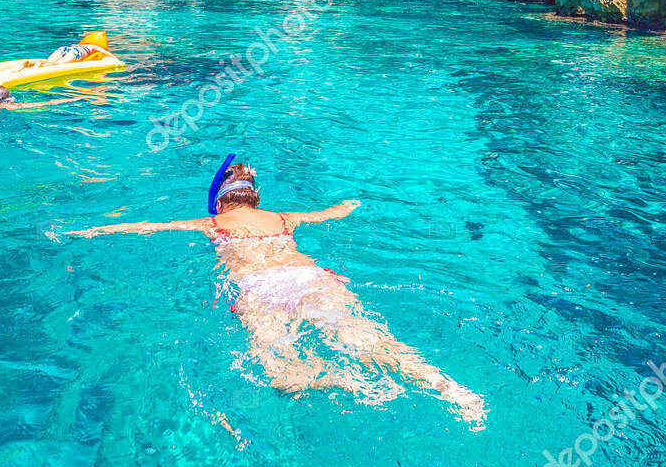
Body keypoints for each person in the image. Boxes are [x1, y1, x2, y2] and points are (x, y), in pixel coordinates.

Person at [65, 161, 487, 427]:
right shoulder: (285, 217)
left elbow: (146, 228)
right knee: (370, 340)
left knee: (279, 372)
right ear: (256, 196)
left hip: (259, 291)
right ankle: (453, 391)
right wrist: (350, 203)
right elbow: (329, 214)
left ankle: (346, 383)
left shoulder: (209, 224)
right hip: (308, 279)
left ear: (221, 204)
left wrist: (87, 230)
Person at [34, 30, 110, 67]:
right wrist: (117, 60)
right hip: (77, 52)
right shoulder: (93, 47)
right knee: (58, 64)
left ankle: (30, 63)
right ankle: (39, 65)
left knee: (49, 62)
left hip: (64, 48)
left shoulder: (80, 45)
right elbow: (105, 52)